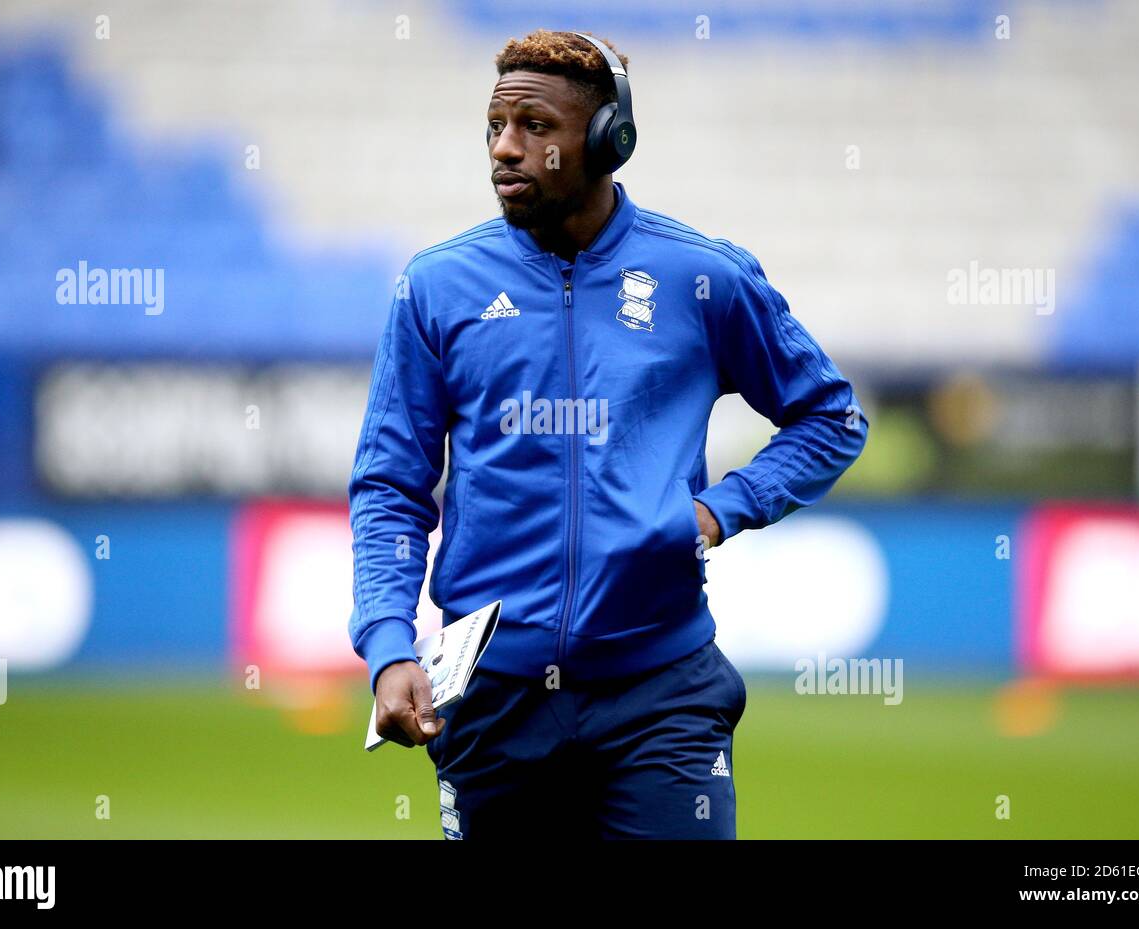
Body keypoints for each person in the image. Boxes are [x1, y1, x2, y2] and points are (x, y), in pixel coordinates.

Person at [349, 29, 867, 839]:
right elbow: (389, 486)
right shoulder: (436, 287)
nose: (505, 149)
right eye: (495, 127)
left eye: (534, 127)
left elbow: (829, 417)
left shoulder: (703, 277)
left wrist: (721, 509)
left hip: (661, 692)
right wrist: (388, 644)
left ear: (606, 140)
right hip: (493, 703)